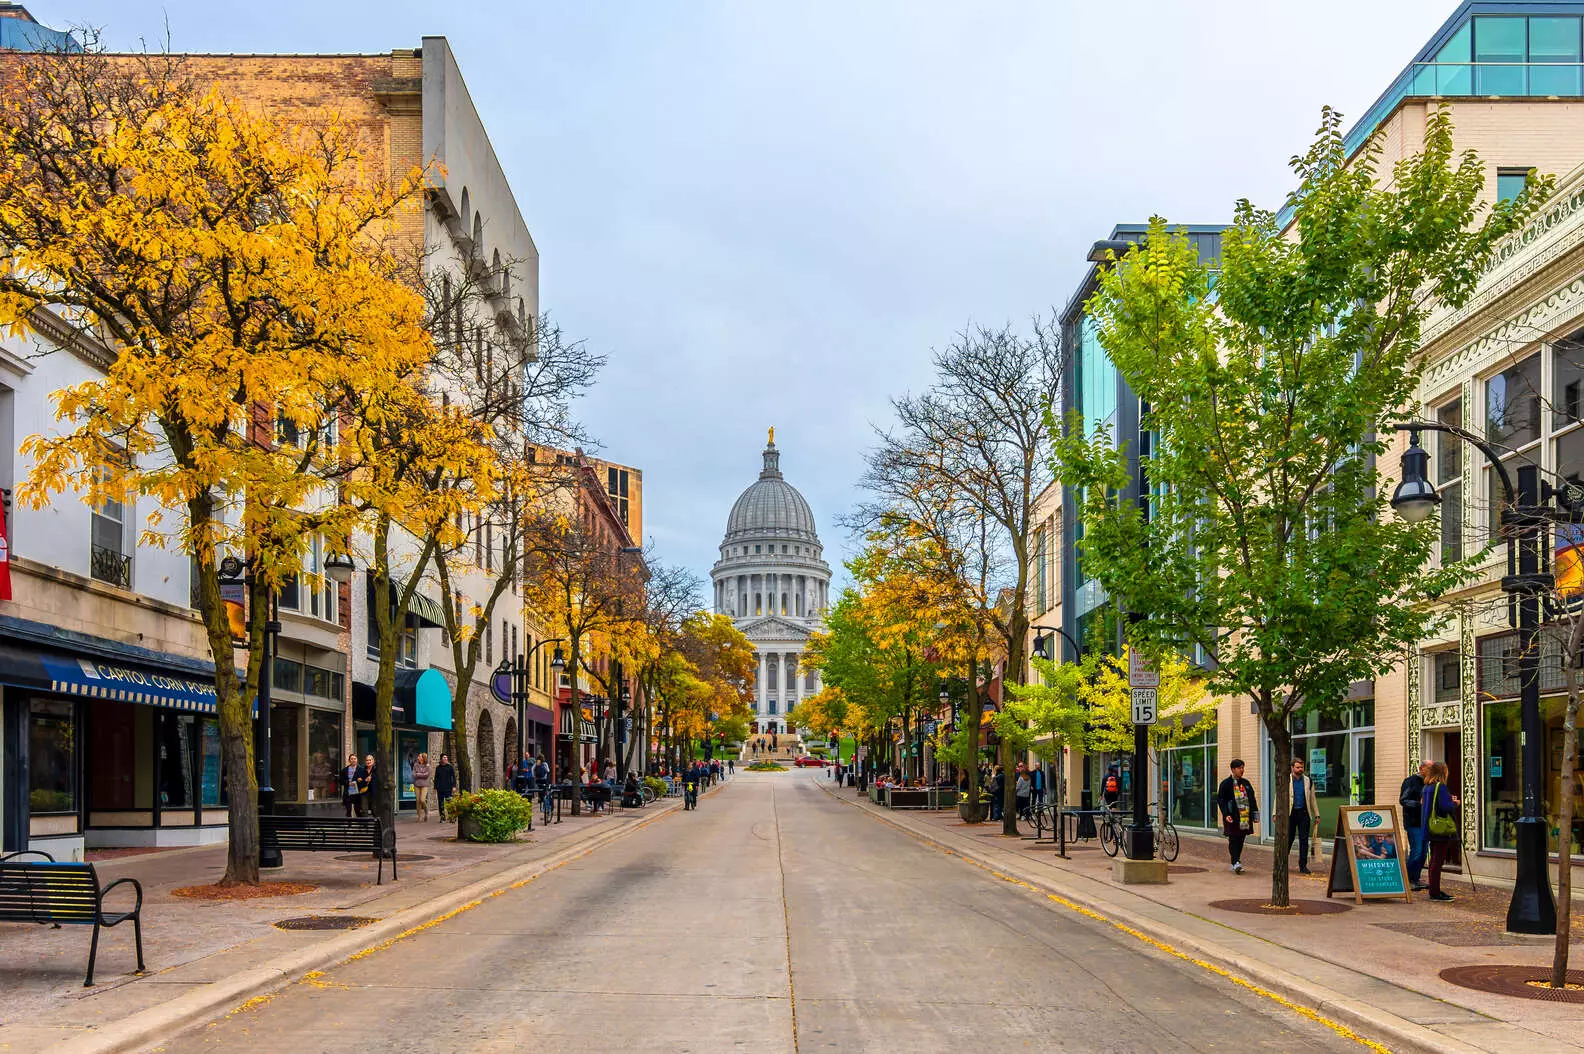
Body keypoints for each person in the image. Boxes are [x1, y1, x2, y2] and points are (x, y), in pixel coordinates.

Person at [1422, 760, 1460, 902]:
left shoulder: (1427, 787)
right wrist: (1454, 803)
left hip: (1429, 827)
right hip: (1439, 828)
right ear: (1443, 772)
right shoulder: (1440, 787)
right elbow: (1445, 807)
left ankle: (1434, 889)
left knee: (1434, 860)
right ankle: (1435, 891)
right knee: (1438, 860)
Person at [1216, 759, 1259, 874]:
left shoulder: (1246, 783)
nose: (1242, 770)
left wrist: (1255, 814)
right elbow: (1221, 800)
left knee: (1240, 839)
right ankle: (1236, 862)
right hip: (1232, 816)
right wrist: (1226, 814)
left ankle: (1235, 861)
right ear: (1233, 769)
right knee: (1233, 839)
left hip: (1244, 817)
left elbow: (1252, 799)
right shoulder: (1226, 784)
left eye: (1243, 767)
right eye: (1240, 768)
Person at [1399, 760, 1431, 891]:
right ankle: (1407, 879)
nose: (1432, 770)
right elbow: (1403, 800)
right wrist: (1419, 804)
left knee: (1424, 852)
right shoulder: (1410, 781)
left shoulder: (1430, 782)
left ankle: (1416, 878)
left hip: (1425, 822)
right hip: (1413, 822)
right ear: (1422, 768)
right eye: (1430, 768)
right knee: (1417, 851)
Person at [1289, 758, 1321, 875]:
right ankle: (1282, 862)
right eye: (1298, 767)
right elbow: (1279, 797)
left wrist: (1317, 814)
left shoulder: (1308, 781)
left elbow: (1312, 799)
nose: (1300, 769)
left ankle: (1303, 865)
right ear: (1292, 767)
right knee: (1289, 839)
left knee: (1304, 840)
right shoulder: (1286, 780)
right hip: (1290, 814)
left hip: (1303, 813)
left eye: (1302, 767)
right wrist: (1275, 813)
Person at [433, 753, 457, 818]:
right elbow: (436, 778)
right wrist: (435, 787)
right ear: (441, 759)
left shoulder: (450, 767)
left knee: (449, 803)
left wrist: (454, 786)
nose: (446, 758)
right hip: (440, 789)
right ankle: (442, 817)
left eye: (446, 757)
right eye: (444, 757)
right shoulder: (438, 768)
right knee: (441, 804)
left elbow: (453, 777)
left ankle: (451, 816)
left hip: (448, 788)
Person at [412, 752, 432, 822]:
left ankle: (426, 812)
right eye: (418, 756)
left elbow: (426, 775)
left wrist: (418, 774)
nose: (418, 757)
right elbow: (414, 774)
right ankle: (419, 816)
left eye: (420, 756)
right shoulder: (415, 765)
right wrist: (421, 774)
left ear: (423, 758)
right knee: (418, 801)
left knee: (422, 800)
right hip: (417, 784)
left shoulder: (428, 766)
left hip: (424, 785)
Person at [341, 753, 360, 818]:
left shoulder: (361, 769)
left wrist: (359, 781)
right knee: (348, 811)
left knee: (357, 810)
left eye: (355, 759)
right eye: (351, 759)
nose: (353, 760)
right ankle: (349, 826)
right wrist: (348, 783)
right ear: (349, 760)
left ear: (357, 760)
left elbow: (364, 781)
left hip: (357, 793)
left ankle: (360, 825)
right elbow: (341, 781)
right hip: (348, 792)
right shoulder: (344, 770)